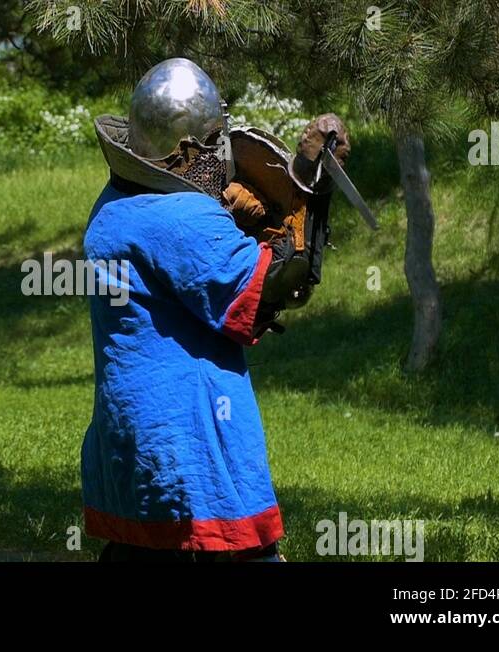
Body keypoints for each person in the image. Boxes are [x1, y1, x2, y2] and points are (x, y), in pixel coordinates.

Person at [82, 58, 348, 562]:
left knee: (138, 548)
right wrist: (313, 194)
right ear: (190, 149)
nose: (221, 153)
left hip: (131, 434)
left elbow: (196, 272)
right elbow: (270, 289)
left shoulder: (113, 205)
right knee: (236, 551)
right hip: (188, 437)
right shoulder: (182, 217)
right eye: (212, 141)